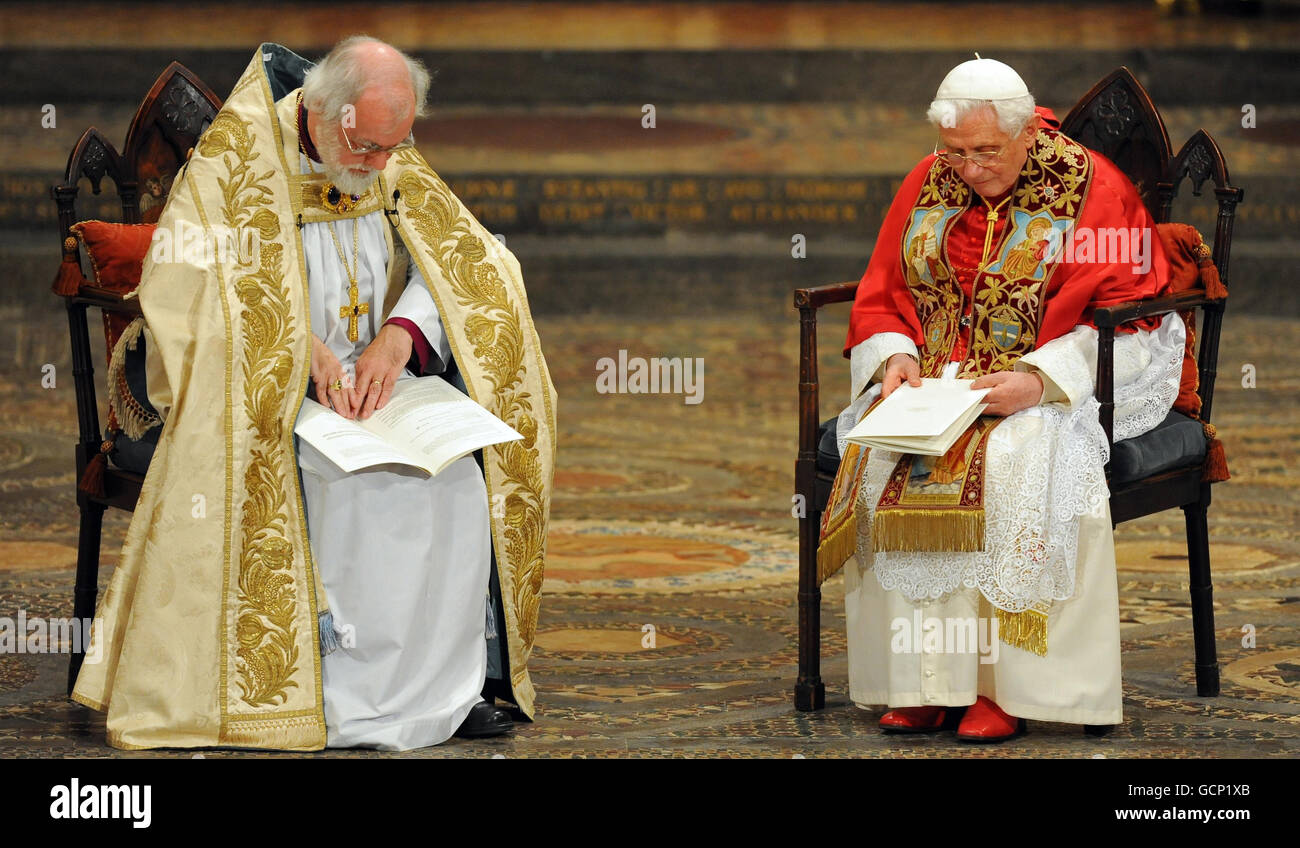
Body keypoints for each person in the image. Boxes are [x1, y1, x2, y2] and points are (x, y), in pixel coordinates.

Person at [71, 37, 558, 751]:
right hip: (260, 384)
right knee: (355, 486)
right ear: (326, 112)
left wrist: (400, 336)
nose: (378, 167)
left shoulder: (377, 143)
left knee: (454, 476)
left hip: (367, 381)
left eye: (395, 148)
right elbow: (185, 278)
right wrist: (297, 345)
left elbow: (473, 259)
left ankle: (443, 696)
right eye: (366, 149)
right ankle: (334, 699)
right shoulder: (240, 158)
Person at [834, 58, 1185, 741]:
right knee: (878, 457)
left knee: (1015, 461)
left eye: (985, 153)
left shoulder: (1093, 189)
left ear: (1027, 134)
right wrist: (895, 357)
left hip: (1048, 375)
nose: (967, 168)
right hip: (939, 378)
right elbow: (883, 290)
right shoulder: (927, 178)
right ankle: (924, 681)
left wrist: (1041, 380)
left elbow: (1134, 315)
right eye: (955, 152)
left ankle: (1004, 687)